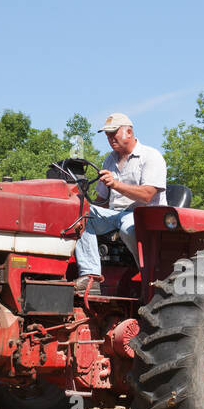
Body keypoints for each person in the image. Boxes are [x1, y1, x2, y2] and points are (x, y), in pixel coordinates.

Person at [73, 112, 167, 293]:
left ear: (129, 132)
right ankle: (90, 276)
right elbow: (101, 200)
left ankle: (148, 275)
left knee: (128, 227)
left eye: (113, 133)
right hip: (115, 214)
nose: (110, 138)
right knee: (80, 214)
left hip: (145, 214)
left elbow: (147, 195)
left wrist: (115, 184)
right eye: (107, 135)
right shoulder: (109, 160)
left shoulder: (151, 156)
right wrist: (82, 201)